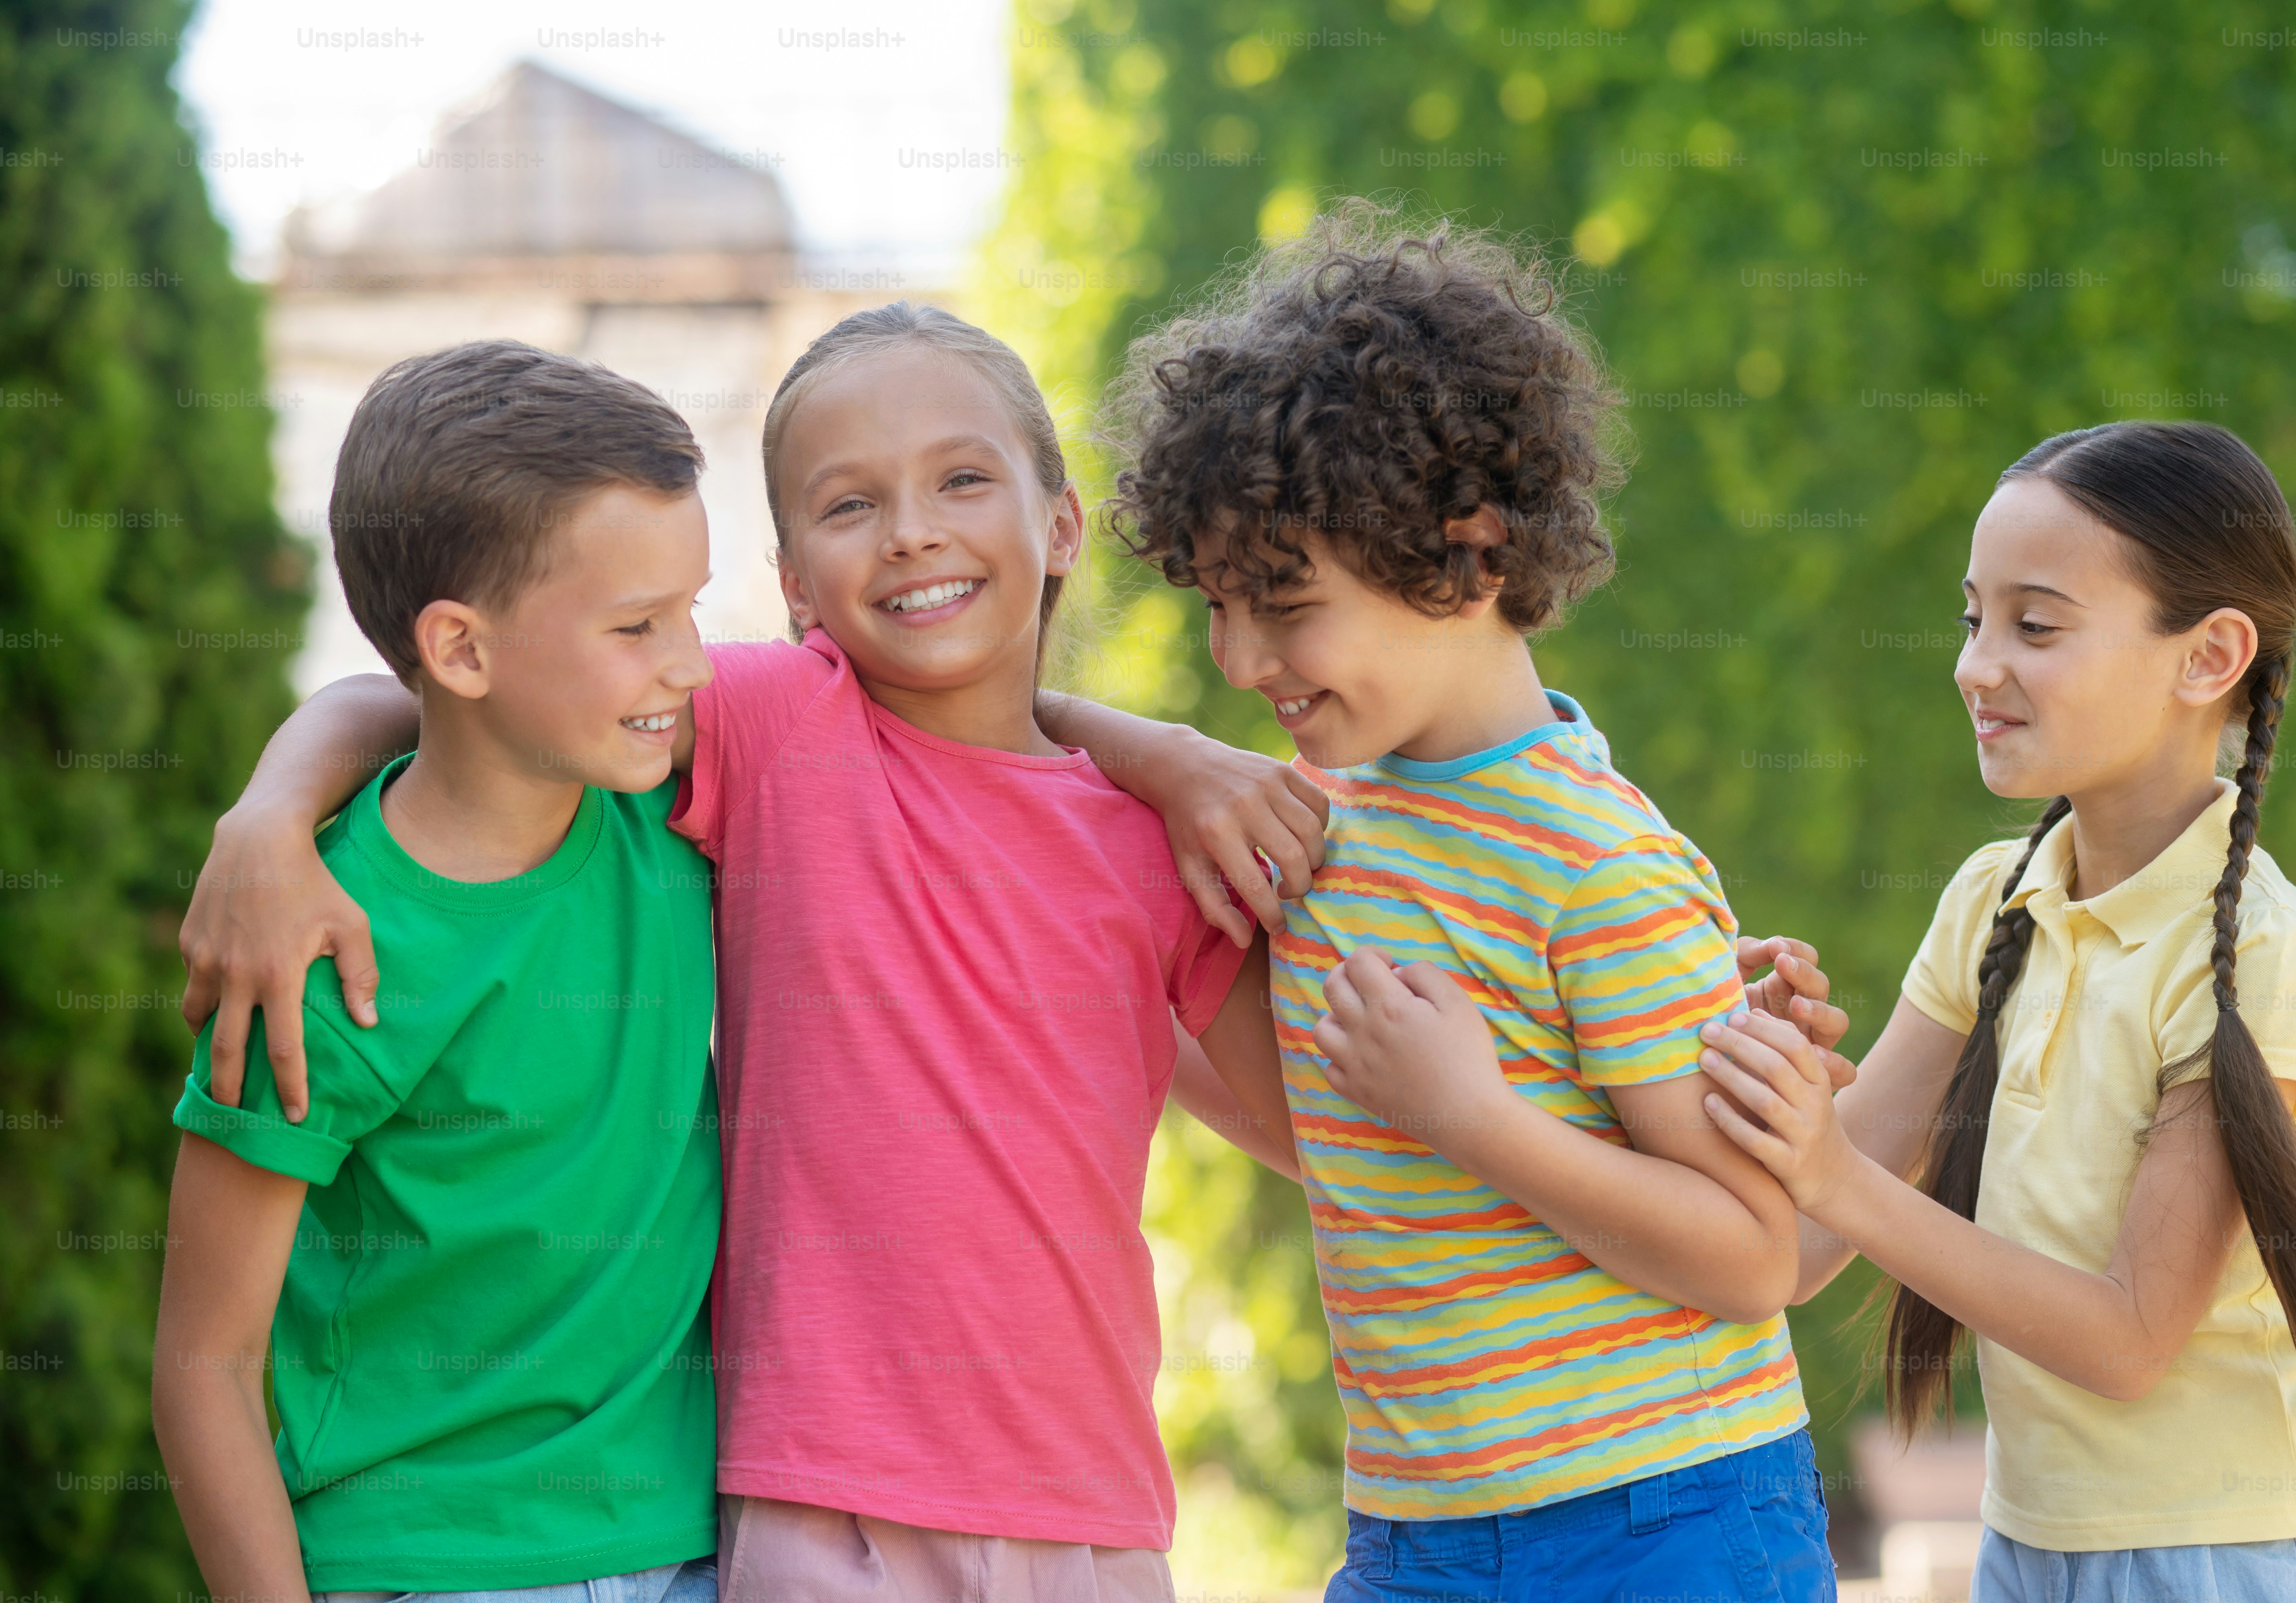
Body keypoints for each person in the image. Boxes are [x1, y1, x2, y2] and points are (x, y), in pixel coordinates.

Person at [172, 310, 1318, 1603]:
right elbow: (472, 697)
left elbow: (1316, 1136)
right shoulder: (772, 729)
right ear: (791, 584)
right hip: (802, 1518)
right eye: (849, 505)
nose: (912, 531)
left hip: (1083, 1516)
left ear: (1061, 524)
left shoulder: (1150, 837)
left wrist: (1152, 753)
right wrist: (269, 812)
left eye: (960, 479)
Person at [1105, 202, 1840, 1603]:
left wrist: (1474, 1118)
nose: (1238, 655)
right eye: (1214, 603)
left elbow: (1754, 1257)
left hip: (1665, 1523)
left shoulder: (1595, 863)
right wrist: (1138, 830)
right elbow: (1309, 1131)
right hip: (1416, 1534)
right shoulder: (1326, 828)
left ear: (1471, 549)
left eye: (1283, 600)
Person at [1699, 421, 2296, 1602]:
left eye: (2036, 625)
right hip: (2027, 1550)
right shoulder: (1992, 899)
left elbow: (2129, 1338)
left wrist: (1837, 1176)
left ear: (2209, 655)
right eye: (1975, 619)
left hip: (2228, 1562)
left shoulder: (2270, 956)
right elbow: (1809, 1243)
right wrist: (1731, 1047)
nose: (1978, 664)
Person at [152, 341, 725, 1602]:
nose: (689, 661)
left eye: (692, 607)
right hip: (427, 1568)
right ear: (462, 651)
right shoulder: (312, 960)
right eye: (636, 626)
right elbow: (203, 1367)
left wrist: (1164, 756)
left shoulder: (672, 796)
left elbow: (923, 704)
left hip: (700, 1546)